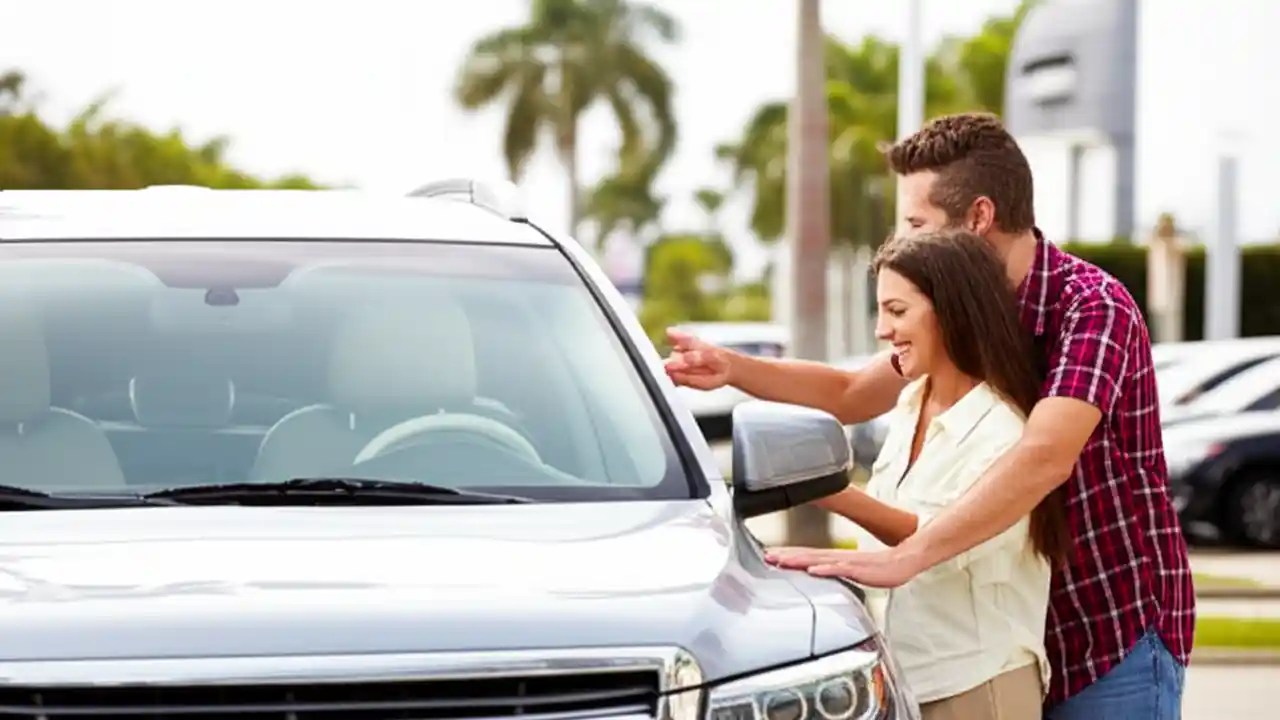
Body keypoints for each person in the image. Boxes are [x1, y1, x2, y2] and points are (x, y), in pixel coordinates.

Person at [664, 112, 1194, 719]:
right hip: (1007, 634)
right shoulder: (961, 322)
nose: (908, 239)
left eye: (917, 223)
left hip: (1109, 627)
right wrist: (730, 367)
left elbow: (1045, 455)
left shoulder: (1093, 309)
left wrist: (908, 554)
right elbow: (850, 393)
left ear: (979, 217)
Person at [833, 228, 1064, 719]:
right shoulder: (909, 407)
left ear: (951, 311)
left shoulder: (1002, 427)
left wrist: (825, 491)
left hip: (978, 687)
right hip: (909, 681)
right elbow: (885, 551)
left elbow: (934, 542)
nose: (881, 330)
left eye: (897, 311)